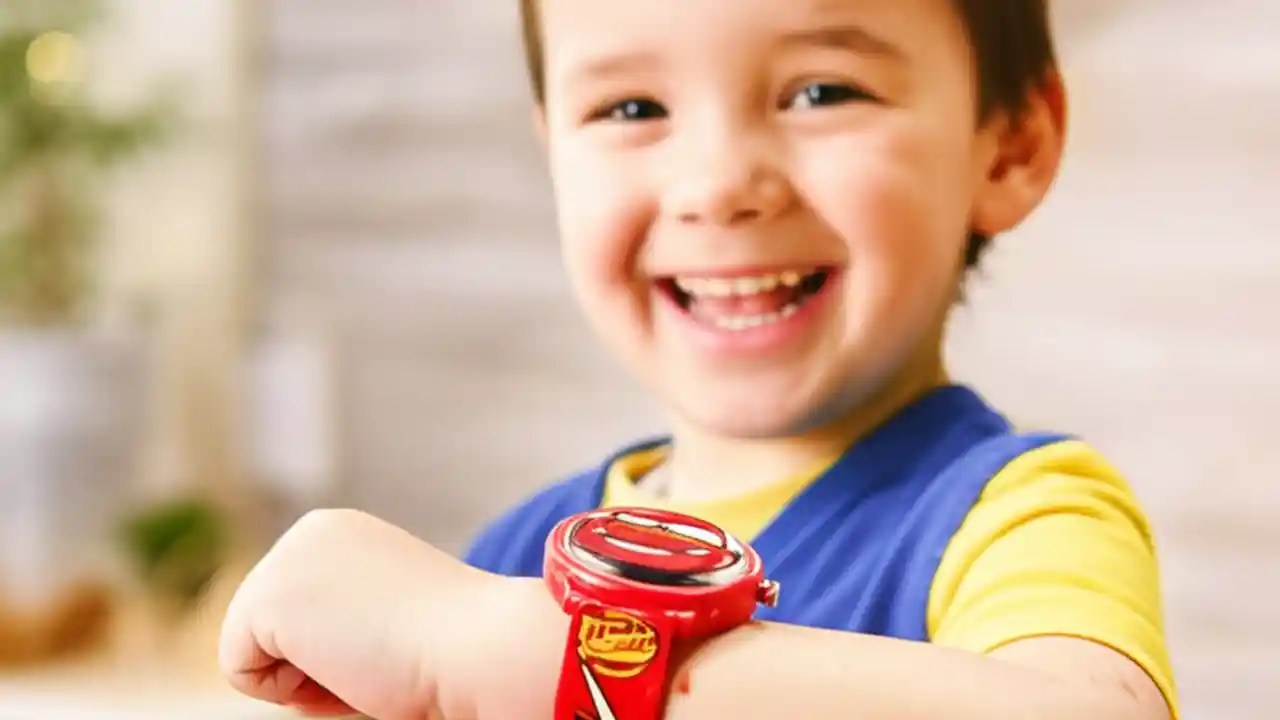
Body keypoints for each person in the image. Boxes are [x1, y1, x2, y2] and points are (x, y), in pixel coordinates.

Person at [218, 1, 1179, 718]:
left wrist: (536, 656)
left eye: (821, 92)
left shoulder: (1016, 518)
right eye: (632, 106)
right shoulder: (512, 561)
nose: (717, 185)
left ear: (1009, 148)